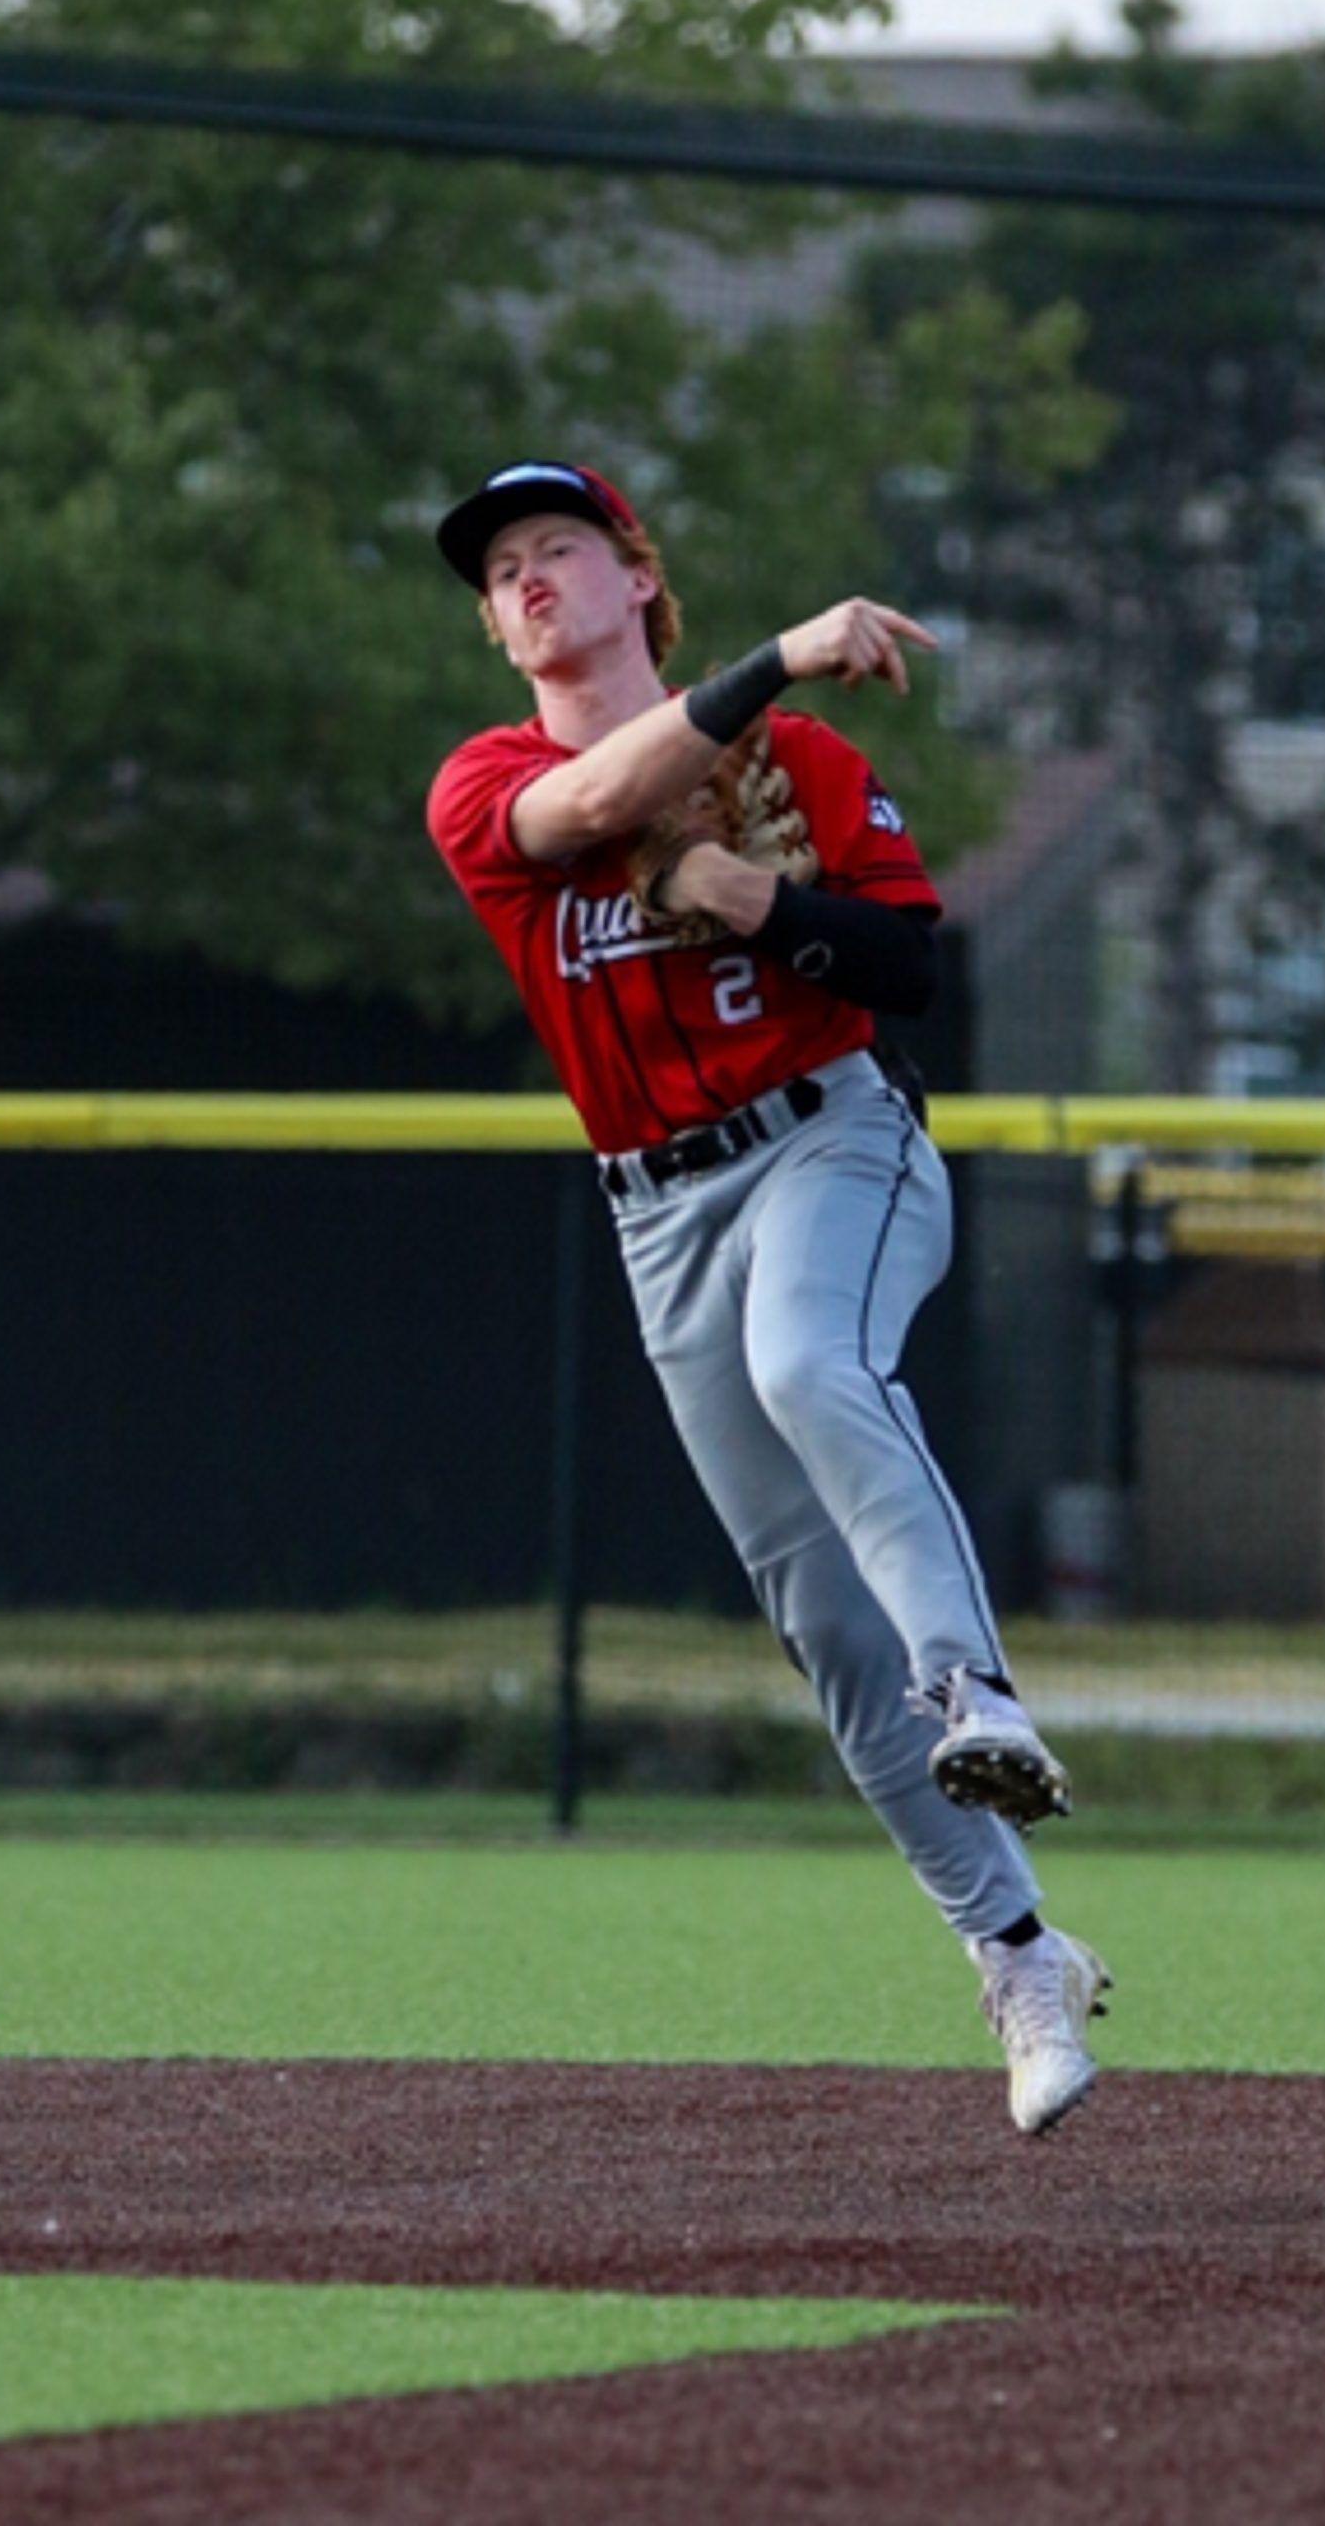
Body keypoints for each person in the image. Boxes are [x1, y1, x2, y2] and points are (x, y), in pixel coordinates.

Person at [425, 458, 1111, 2135]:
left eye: (557, 547)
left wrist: (756, 900)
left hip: (833, 1145)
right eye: (500, 565)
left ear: (636, 577)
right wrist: (782, 655)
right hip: (658, 1216)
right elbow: (586, 820)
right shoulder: (481, 783)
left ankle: (982, 1687)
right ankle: (1021, 1953)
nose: (525, 579)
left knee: (811, 1360)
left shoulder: (794, 759)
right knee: (821, 1637)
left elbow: (907, 967)